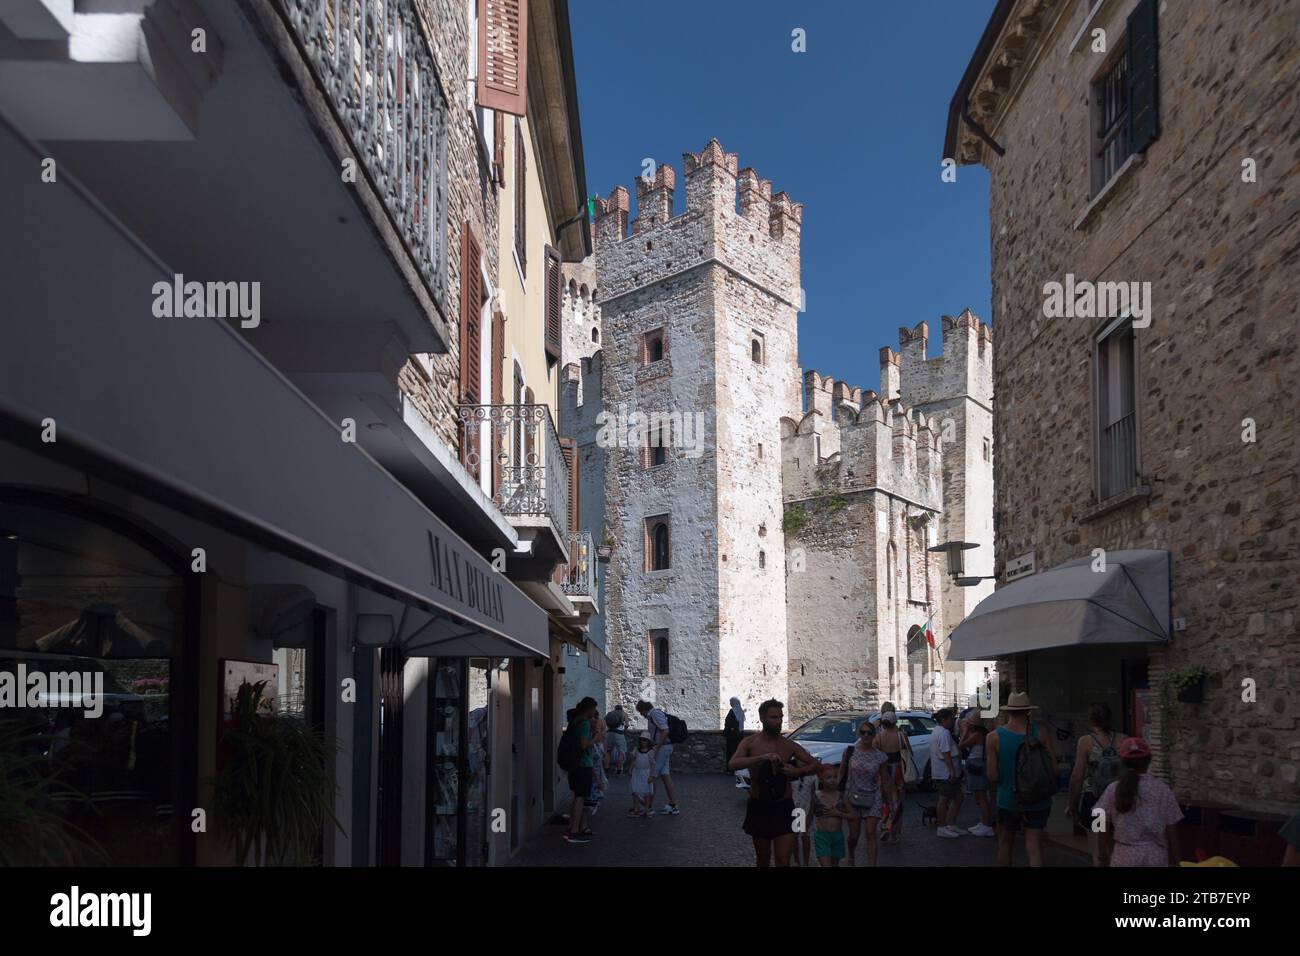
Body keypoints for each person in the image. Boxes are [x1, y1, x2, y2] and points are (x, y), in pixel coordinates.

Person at [728, 698, 821, 867]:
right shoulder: (750, 743)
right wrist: (761, 758)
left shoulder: (788, 745)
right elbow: (733, 764)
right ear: (762, 718)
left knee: (783, 860)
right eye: (774, 717)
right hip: (759, 805)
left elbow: (815, 764)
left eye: (780, 717)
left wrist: (798, 772)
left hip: (784, 806)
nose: (778, 721)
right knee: (763, 858)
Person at [986, 692, 1057, 866]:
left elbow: (992, 776)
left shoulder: (994, 737)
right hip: (1038, 798)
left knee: (1005, 843)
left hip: (1008, 799)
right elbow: (1053, 768)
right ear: (1028, 711)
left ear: (1008, 712)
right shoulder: (1040, 732)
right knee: (1034, 846)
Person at [1096, 737, 1183, 867]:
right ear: (1149, 761)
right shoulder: (1162, 789)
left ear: (1122, 762)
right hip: (1155, 857)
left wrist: (1102, 854)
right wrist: (1177, 861)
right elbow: (1172, 830)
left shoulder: (1112, 789)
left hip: (1123, 856)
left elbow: (1099, 823)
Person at [1067, 702, 1120, 866]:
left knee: (1098, 852)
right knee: (1115, 850)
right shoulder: (1123, 740)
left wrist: (1072, 804)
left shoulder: (1086, 742)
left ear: (1091, 720)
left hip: (1095, 801)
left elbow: (1077, 776)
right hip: (1119, 801)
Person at [839, 720, 892, 865]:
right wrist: (838, 793)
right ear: (859, 734)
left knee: (870, 832)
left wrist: (890, 801)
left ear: (874, 735)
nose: (866, 735)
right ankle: (851, 855)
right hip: (852, 795)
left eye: (869, 733)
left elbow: (885, 779)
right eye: (863, 732)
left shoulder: (880, 756)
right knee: (854, 835)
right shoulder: (850, 752)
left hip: (873, 796)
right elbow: (841, 772)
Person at [563, 697, 598, 845]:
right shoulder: (584, 723)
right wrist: (596, 738)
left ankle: (574, 826)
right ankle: (574, 831)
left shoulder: (575, 721)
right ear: (589, 709)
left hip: (574, 763)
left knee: (578, 796)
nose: (595, 712)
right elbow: (584, 745)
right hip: (583, 764)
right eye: (594, 709)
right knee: (580, 797)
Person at [875, 704, 912, 843]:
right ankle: (895, 831)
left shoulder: (879, 737)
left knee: (886, 801)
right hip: (898, 771)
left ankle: (885, 826)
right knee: (898, 802)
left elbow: (875, 754)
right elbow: (909, 752)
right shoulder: (900, 735)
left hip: (884, 771)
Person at [636, 699, 680, 815]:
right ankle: (673, 805)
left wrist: (657, 747)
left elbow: (665, 730)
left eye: (641, 712)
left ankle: (648, 806)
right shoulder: (656, 714)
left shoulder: (654, 714)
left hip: (662, 748)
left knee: (652, 775)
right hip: (665, 747)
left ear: (643, 709)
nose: (641, 715)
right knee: (665, 775)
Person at [959, 713, 995, 836]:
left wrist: (964, 731)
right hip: (977, 764)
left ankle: (986, 825)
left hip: (977, 765)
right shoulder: (981, 733)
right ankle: (984, 822)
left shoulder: (977, 735)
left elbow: (961, 745)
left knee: (981, 796)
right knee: (979, 796)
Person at [931, 707, 965, 838]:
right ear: (945, 719)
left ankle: (950, 824)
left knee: (958, 798)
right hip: (946, 773)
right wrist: (952, 771)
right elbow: (946, 753)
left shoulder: (937, 731)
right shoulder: (944, 733)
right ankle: (942, 826)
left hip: (944, 772)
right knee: (944, 800)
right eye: (951, 718)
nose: (953, 721)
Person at [812, 762, 853, 866]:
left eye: (835, 777)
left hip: (837, 836)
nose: (833, 780)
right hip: (822, 836)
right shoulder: (816, 796)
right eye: (828, 777)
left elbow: (853, 815)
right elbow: (808, 814)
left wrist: (838, 813)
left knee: (835, 864)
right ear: (821, 779)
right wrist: (801, 830)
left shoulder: (842, 796)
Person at [628, 733, 655, 817]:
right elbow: (634, 760)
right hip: (637, 772)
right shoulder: (636, 750)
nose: (643, 742)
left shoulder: (650, 752)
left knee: (646, 793)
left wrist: (651, 775)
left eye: (645, 740)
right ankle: (636, 809)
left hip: (646, 773)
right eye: (642, 740)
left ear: (648, 742)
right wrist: (631, 768)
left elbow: (652, 764)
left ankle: (646, 810)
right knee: (635, 791)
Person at [725, 696, 746, 787]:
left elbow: (728, 723)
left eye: (731, 702)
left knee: (731, 752)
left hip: (732, 737)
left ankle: (731, 770)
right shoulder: (741, 711)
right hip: (740, 736)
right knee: (738, 752)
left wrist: (728, 730)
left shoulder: (732, 711)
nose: (730, 703)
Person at [604, 704, 630, 775]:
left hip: (609, 733)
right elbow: (627, 725)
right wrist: (624, 730)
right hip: (619, 734)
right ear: (621, 709)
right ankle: (619, 771)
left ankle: (606, 769)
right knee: (621, 752)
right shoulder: (624, 714)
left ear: (615, 709)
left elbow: (605, 722)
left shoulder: (610, 713)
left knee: (608, 751)